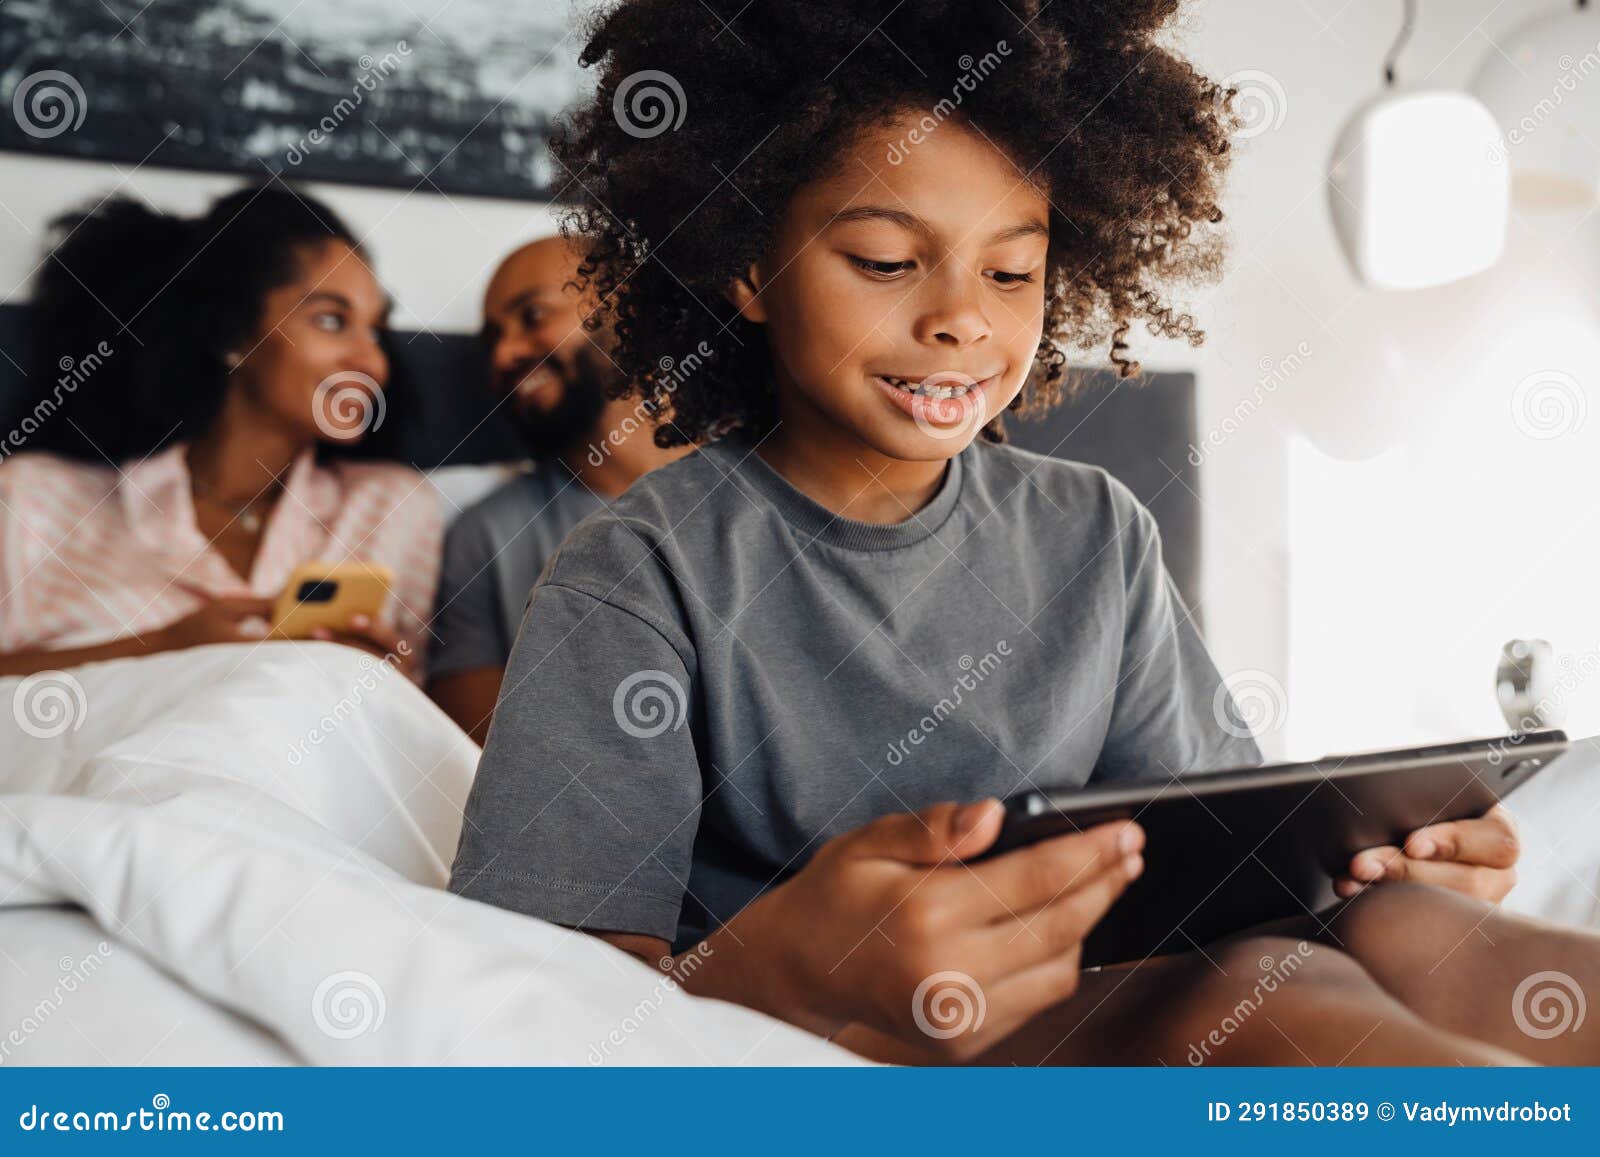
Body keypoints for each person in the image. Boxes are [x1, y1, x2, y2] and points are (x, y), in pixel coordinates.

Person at [450, 0, 1594, 1065]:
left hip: (1118, 984)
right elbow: (533, 999)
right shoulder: (638, 570)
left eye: (1011, 270)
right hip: (855, 1051)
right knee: (1272, 992)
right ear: (749, 263)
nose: (959, 317)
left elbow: (1225, 853)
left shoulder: (1094, 526)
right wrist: (792, 966)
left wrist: (1376, 861)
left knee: (1393, 925)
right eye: (886, 261)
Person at [0, 185, 439, 678]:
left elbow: (416, 728)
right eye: (332, 320)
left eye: (375, 330)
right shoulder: (35, 499)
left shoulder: (392, 509)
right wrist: (163, 647)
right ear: (233, 333)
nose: (372, 362)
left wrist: (380, 682)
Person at [428, 236, 688, 742]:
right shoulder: (486, 536)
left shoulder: (761, 485)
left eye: (532, 315)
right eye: (491, 340)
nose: (503, 354)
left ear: (629, 306)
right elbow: (484, 761)